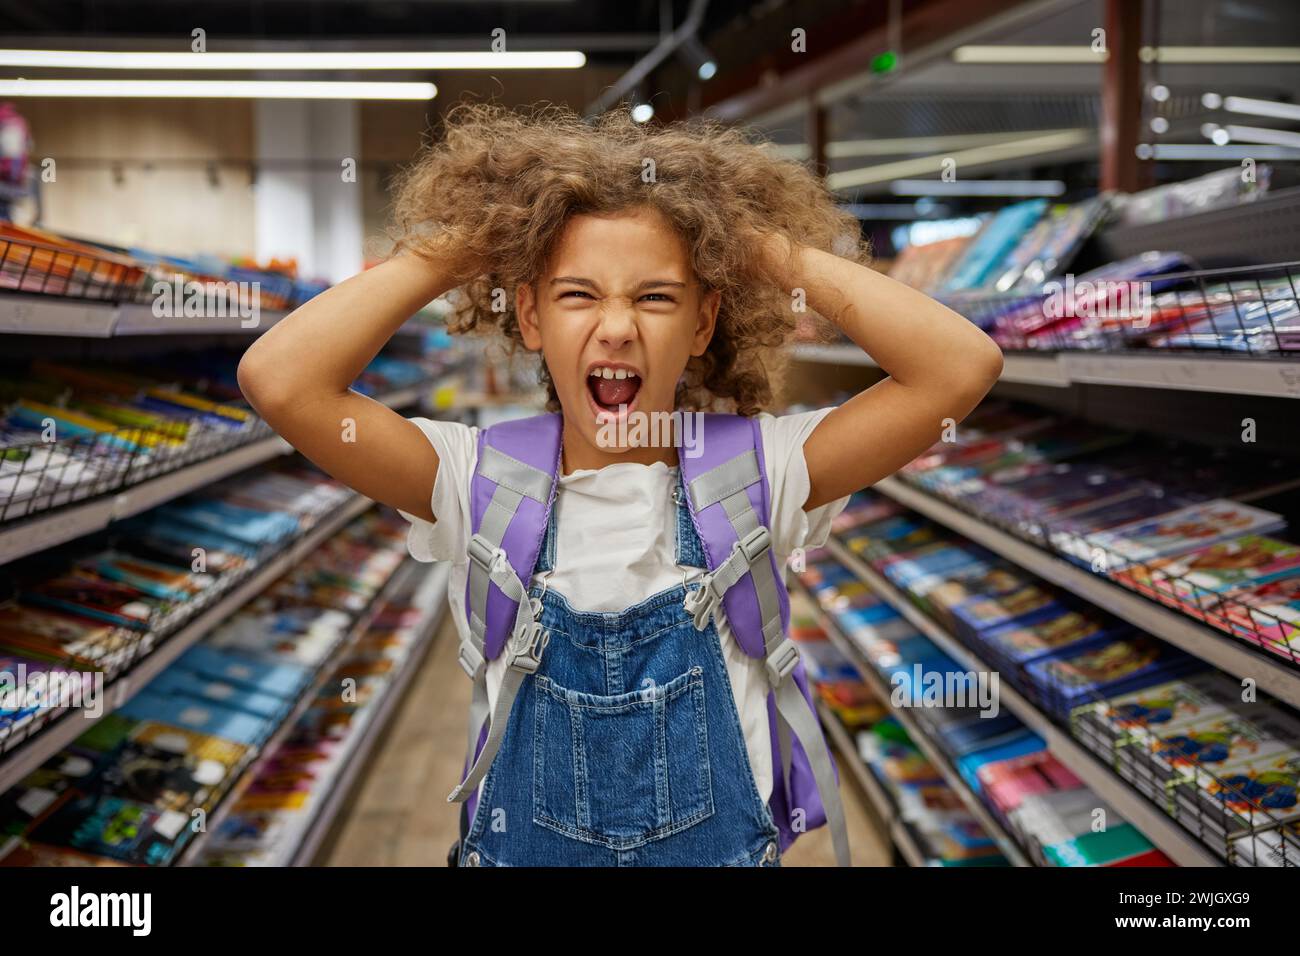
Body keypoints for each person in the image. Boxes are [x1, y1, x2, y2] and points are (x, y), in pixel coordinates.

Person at [237, 102, 1003, 867]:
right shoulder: (475, 480)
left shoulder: (763, 474)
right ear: (529, 316)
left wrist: (757, 247)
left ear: (704, 325)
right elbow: (280, 380)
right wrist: (470, 244)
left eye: (655, 296)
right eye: (577, 294)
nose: (616, 326)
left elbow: (959, 367)